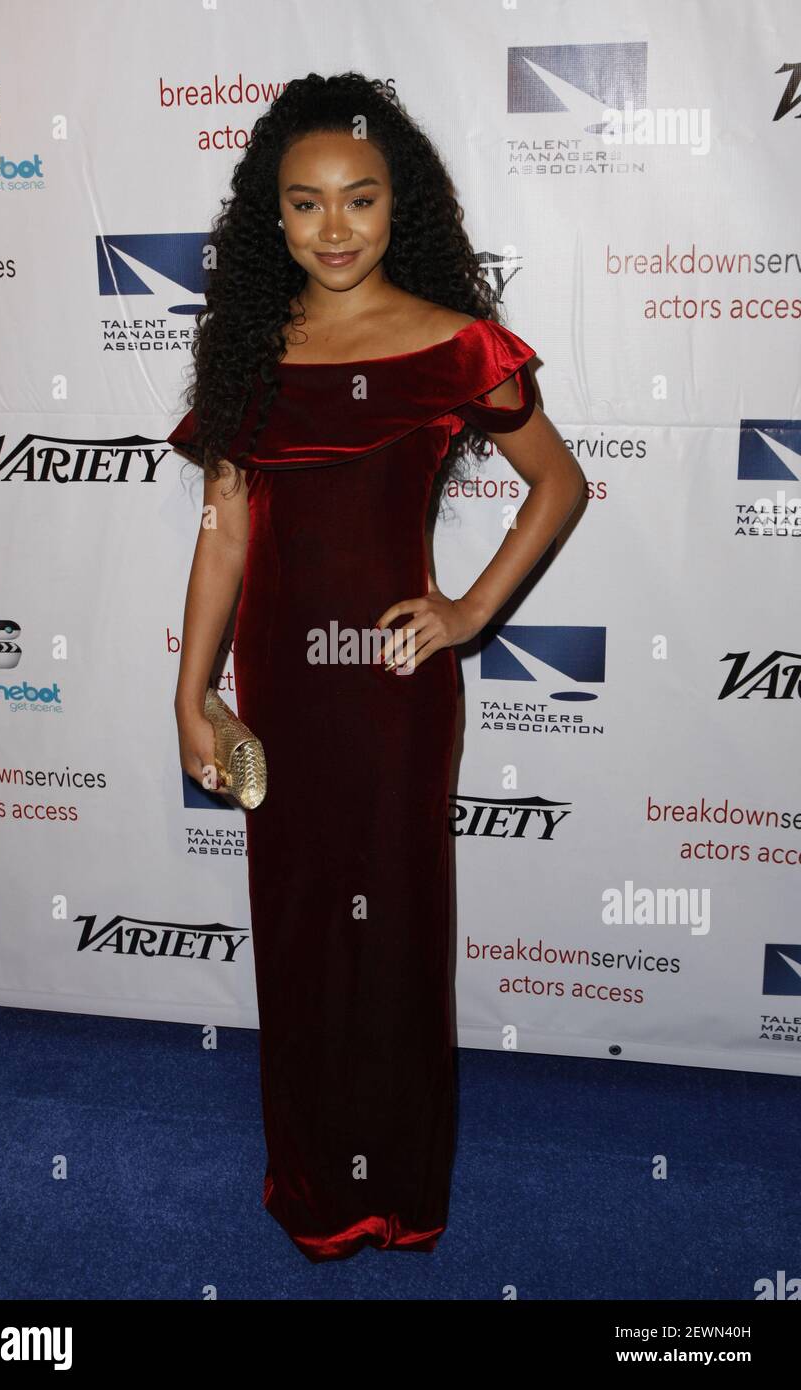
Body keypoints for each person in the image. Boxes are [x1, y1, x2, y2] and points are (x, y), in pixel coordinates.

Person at [168, 71, 585, 1263]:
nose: (335, 228)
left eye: (360, 197)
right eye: (306, 204)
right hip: (283, 685)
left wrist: (469, 613)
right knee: (298, 924)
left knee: (395, 928)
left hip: (396, 690)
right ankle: (315, 1185)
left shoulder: (457, 347)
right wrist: (192, 693)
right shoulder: (251, 349)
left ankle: (396, 1190)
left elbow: (558, 484)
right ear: (274, 216)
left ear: (400, 205)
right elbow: (224, 533)